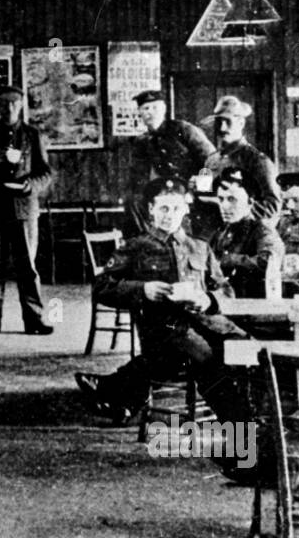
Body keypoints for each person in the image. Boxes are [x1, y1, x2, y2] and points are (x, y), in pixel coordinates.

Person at [73, 177, 249, 434]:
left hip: (209, 324)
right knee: (210, 364)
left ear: (186, 209)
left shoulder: (199, 247)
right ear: (151, 210)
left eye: (176, 208)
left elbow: (225, 290)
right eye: (163, 209)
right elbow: (102, 286)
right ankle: (242, 437)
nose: (170, 215)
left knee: (248, 351)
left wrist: (207, 299)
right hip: (166, 331)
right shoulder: (135, 247)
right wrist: (142, 290)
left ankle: (113, 389)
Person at [0, 82, 55, 335]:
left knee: (27, 266)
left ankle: (34, 318)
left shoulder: (32, 135)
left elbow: (46, 173)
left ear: (21, 106)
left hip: (24, 209)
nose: (8, 108)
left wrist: (30, 185)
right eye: (3, 103)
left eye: (13, 103)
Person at [127, 90, 215, 235]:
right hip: (169, 195)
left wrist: (200, 186)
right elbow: (138, 177)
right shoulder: (142, 142)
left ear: (164, 109)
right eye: (145, 108)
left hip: (196, 196)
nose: (150, 112)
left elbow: (213, 160)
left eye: (155, 107)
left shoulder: (184, 129)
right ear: (140, 114)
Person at [198, 95, 281, 227]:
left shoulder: (257, 161)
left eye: (228, 122)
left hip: (242, 234)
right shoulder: (211, 160)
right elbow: (201, 193)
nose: (222, 128)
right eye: (219, 122)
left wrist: (236, 210)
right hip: (212, 233)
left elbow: (273, 206)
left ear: (241, 123)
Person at [211, 168, 284, 299]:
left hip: (251, 302)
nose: (225, 206)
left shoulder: (262, 230)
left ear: (250, 202)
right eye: (221, 199)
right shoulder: (221, 232)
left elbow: (269, 262)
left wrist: (226, 260)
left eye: (232, 199)